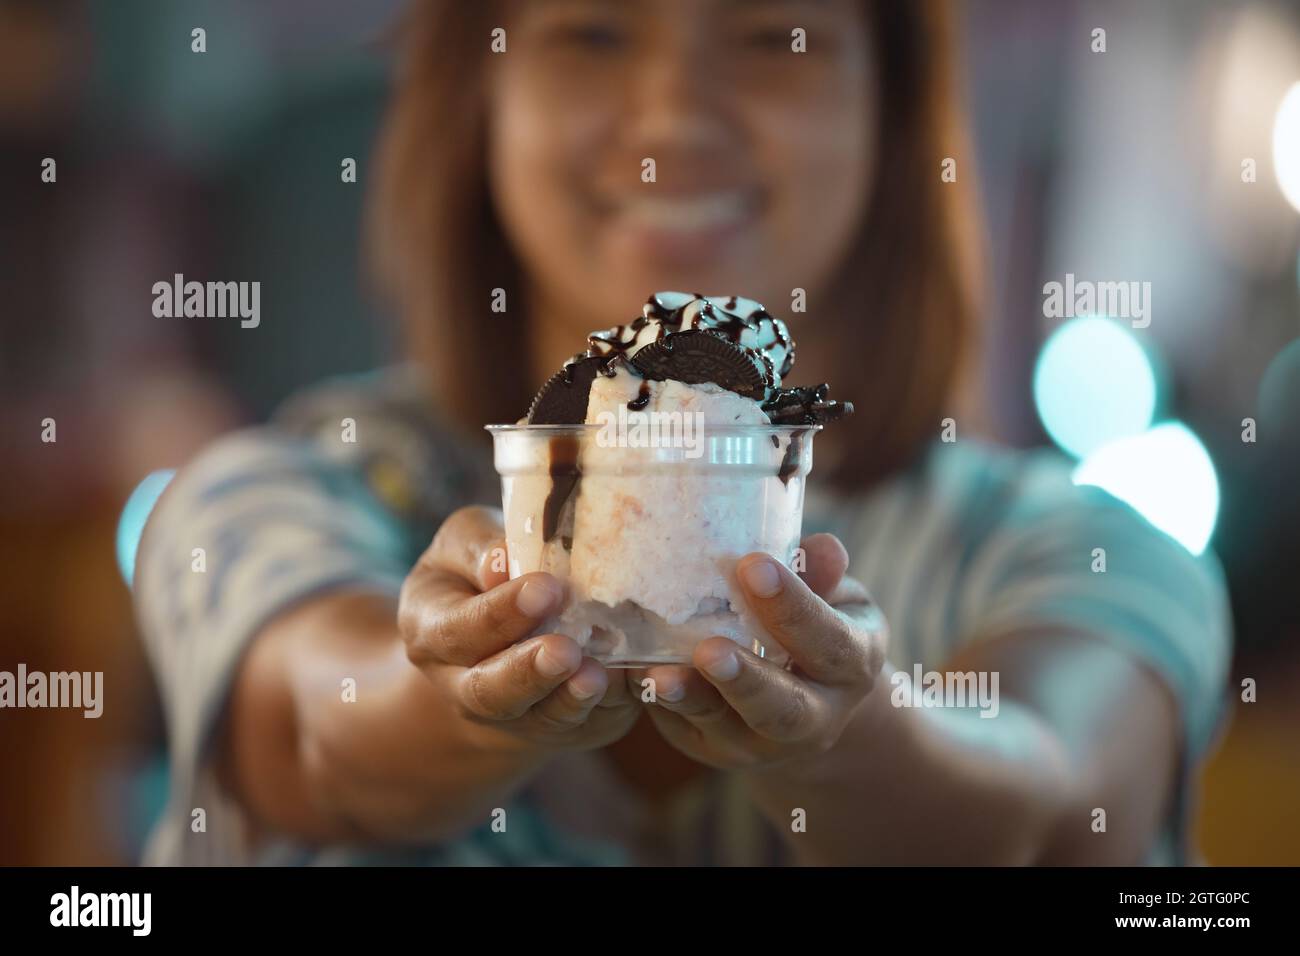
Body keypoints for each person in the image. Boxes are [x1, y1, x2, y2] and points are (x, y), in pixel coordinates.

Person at [132, 0, 1231, 866]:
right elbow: (317, 739)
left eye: (772, 37)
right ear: (481, 95)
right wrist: (462, 694)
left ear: (891, 111)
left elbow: (1048, 812)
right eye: (593, 31)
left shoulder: (1083, 550)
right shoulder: (290, 493)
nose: (672, 119)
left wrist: (853, 734)